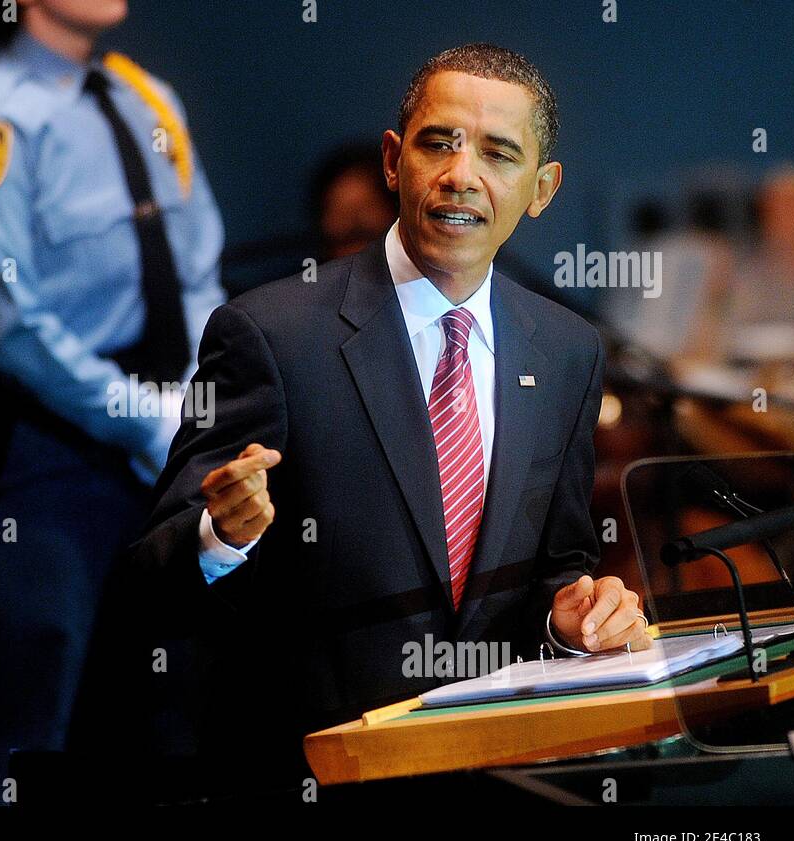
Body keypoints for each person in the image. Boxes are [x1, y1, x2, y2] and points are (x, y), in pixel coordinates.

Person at [132, 43, 650, 798]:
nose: (460, 174)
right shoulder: (270, 335)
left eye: (499, 153)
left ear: (541, 189)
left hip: (497, 775)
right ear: (392, 160)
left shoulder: (569, 350)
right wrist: (223, 534)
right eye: (438, 142)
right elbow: (155, 574)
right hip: (309, 774)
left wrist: (572, 620)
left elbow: (557, 565)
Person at [0, 0, 225, 805]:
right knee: (19, 732)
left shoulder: (146, 98)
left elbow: (197, 272)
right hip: (39, 455)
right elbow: (6, 325)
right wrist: (145, 418)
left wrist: (191, 405)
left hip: (164, 447)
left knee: (163, 717)